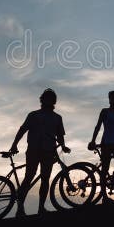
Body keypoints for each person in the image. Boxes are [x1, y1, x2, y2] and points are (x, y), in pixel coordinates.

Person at [9, 88, 71, 217]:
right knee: (29, 177)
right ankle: (20, 208)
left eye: (51, 98)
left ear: (54, 101)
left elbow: (60, 135)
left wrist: (63, 146)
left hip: (49, 151)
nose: (49, 100)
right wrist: (14, 144)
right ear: (42, 100)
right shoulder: (33, 115)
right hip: (33, 150)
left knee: (45, 179)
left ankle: (41, 208)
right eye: (46, 98)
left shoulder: (57, 118)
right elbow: (22, 130)